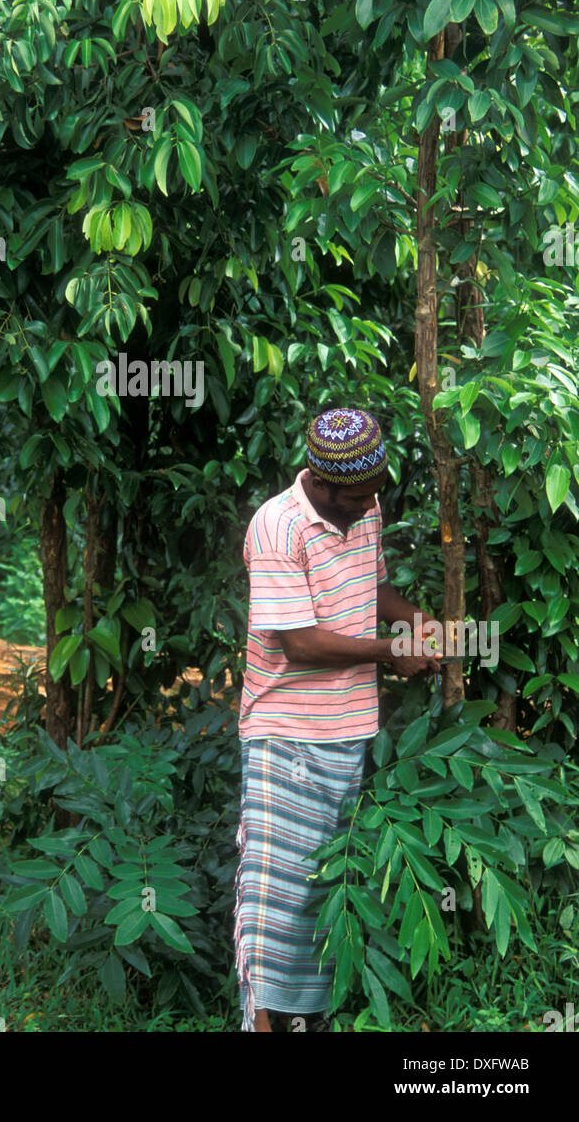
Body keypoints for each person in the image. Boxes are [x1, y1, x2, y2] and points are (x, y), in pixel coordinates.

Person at [233, 407, 442, 1033]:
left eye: (374, 491)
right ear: (320, 483)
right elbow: (297, 643)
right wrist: (389, 653)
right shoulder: (277, 527)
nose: (368, 505)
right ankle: (262, 1024)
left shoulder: (364, 504)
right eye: (357, 496)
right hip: (284, 735)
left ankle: (309, 1023)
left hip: (349, 731)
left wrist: (415, 621)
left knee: (327, 892)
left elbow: (370, 587)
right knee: (274, 899)